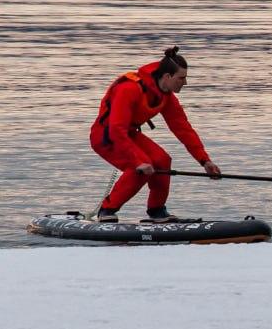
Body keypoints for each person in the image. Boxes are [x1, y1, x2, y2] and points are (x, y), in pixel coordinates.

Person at [89, 46, 221, 222]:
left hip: (128, 134)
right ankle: (107, 210)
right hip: (107, 136)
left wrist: (204, 160)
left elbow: (183, 129)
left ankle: (156, 211)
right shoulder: (129, 89)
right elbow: (116, 130)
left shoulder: (166, 96)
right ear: (167, 76)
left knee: (162, 161)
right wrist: (138, 162)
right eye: (181, 78)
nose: (185, 83)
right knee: (142, 167)